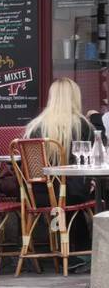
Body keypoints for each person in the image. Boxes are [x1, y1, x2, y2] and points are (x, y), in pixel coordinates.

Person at [24, 78, 94, 206]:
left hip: (35, 195)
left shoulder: (34, 127)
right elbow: (90, 163)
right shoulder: (82, 126)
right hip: (71, 194)